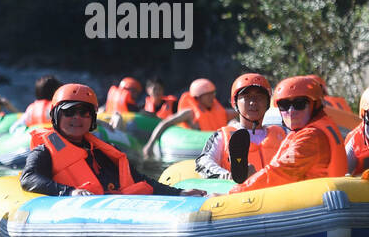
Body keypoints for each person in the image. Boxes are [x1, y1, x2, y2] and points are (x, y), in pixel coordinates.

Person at [21, 84, 203, 197]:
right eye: (69, 112)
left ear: (92, 119)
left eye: (84, 113)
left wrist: (179, 193)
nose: (77, 118)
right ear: (55, 116)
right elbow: (29, 178)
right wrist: (69, 192)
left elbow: (139, 180)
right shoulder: (45, 151)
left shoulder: (103, 151)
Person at [229, 77, 347, 192]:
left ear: (315, 105)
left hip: (316, 204)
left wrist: (236, 192)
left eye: (299, 104)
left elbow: (280, 172)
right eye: (284, 105)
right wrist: (254, 177)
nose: (291, 111)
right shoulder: (304, 131)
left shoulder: (311, 138)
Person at [195, 73, 284, 180]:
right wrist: (225, 175)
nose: (253, 102)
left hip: (274, 192)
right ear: (235, 103)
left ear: (267, 102)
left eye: (259, 97)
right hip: (236, 192)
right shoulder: (222, 136)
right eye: (246, 97)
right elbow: (202, 162)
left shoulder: (281, 134)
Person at [141, 78, 233, 158]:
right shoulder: (189, 113)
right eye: (208, 95)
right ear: (198, 97)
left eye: (213, 93)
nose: (212, 97)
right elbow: (165, 123)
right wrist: (150, 145)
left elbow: (240, 113)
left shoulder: (221, 111)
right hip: (192, 148)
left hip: (218, 148)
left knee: (233, 123)